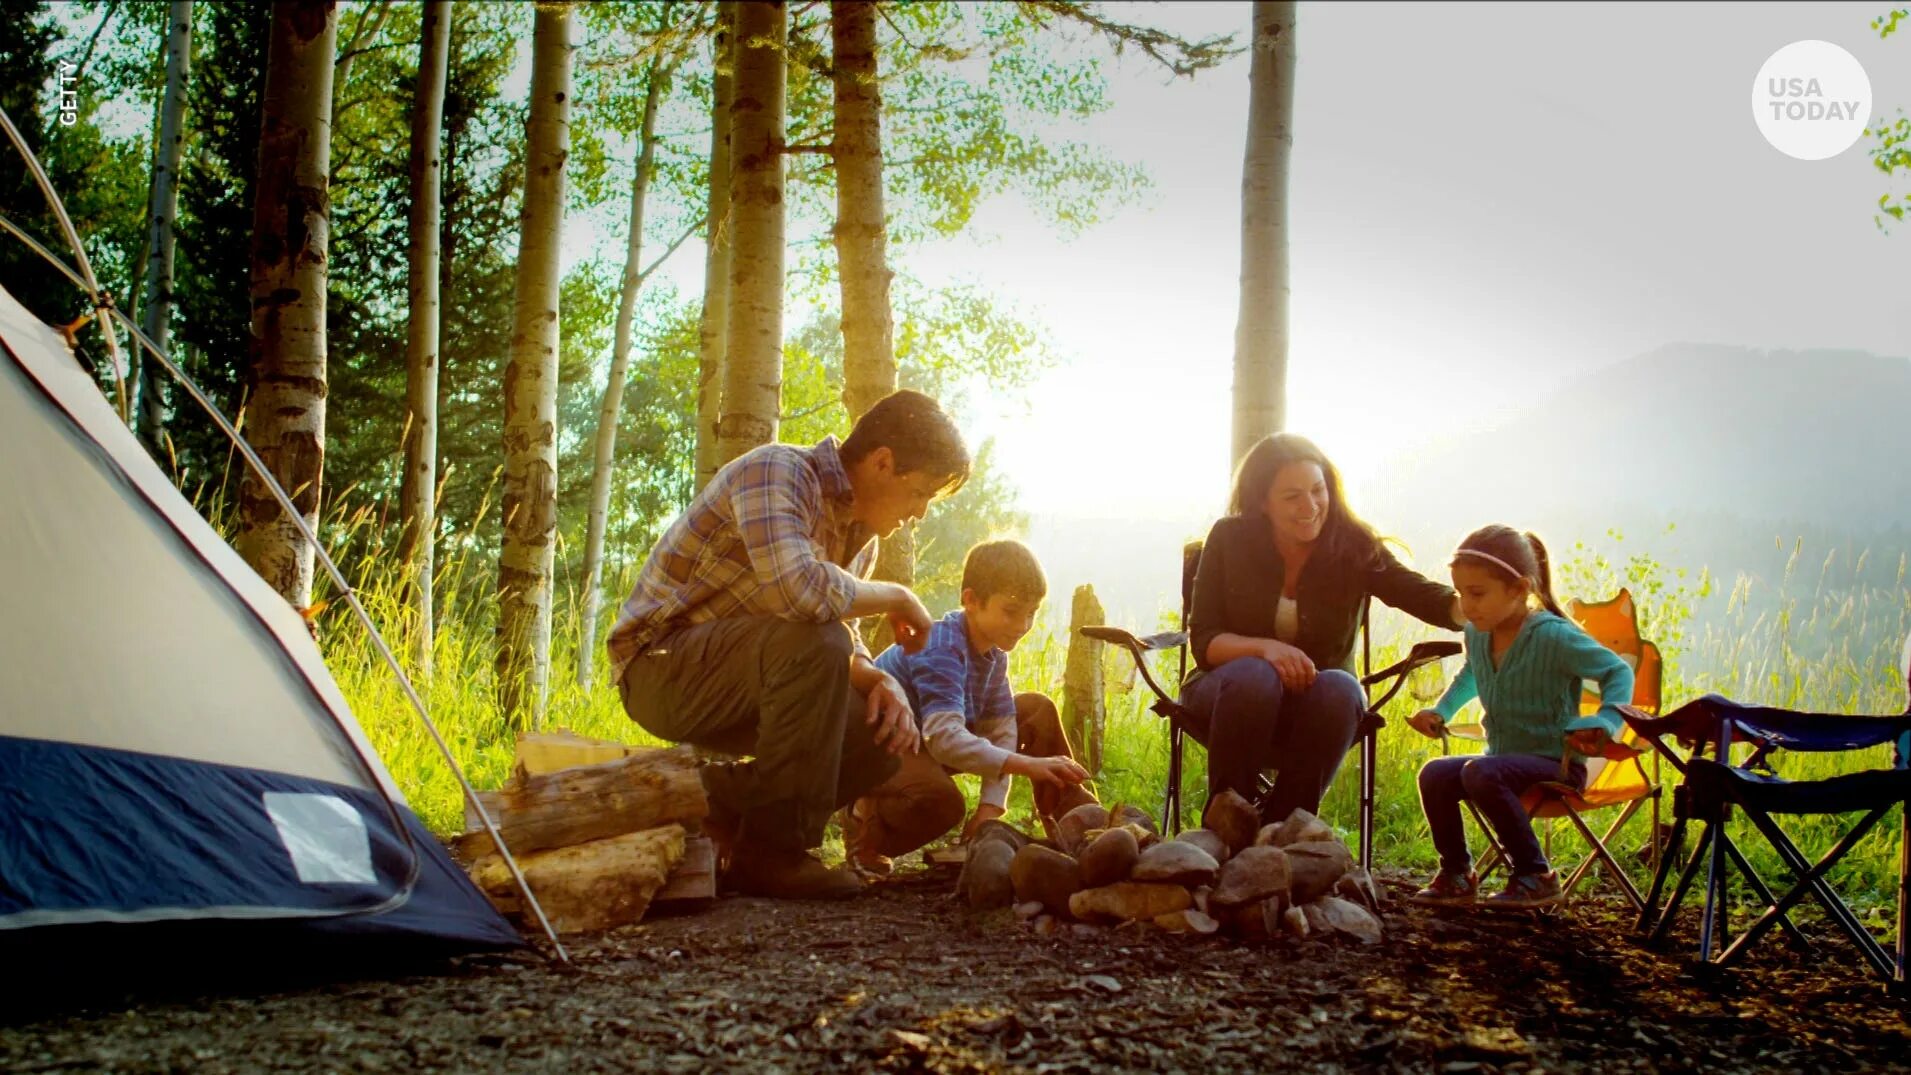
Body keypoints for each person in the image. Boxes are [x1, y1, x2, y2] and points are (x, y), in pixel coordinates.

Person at [608, 390, 969, 900]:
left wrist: (878, 678)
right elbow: (797, 593)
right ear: (883, 463)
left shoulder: (858, 535)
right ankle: (773, 853)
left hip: (749, 678)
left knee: (878, 732)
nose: (921, 512)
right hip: (660, 670)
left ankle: (711, 800)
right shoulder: (778, 471)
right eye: (921, 492)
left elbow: (842, 637)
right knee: (813, 638)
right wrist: (898, 595)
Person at [1181, 433, 1464, 824]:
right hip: (1227, 695)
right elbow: (1205, 640)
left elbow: (1414, 591)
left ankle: (1285, 827)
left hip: (1316, 707)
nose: (1310, 506)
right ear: (1262, 501)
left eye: (1318, 490)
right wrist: (1266, 650)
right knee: (1254, 674)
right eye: (1292, 496)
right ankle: (1228, 821)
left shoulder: (1352, 544)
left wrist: (1476, 608)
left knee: (1342, 686)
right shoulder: (1229, 538)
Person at [1405, 524, 1634, 910]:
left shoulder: (1553, 636)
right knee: (1435, 774)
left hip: (1556, 762)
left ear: (1519, 589)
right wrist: (1441, 711)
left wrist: (1607, 721)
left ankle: (1535, 875)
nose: (1467, 604)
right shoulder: (1478, 632)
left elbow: (1618, 672)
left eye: (1477, 594)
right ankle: (1457, 874)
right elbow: (1474, 674)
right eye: (1461, 593)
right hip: (1502, 758)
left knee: (1480, 771)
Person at [841, 540, 1096, 874]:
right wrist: (1027, 765)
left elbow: (1003, 729)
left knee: (1036, 710)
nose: (1022, 625)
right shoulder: (940, 646)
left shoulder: (993, 654)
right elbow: (945, 739)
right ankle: (863, 821)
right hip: (881, 742)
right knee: (943, 804)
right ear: (971, 601)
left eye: (1031, 613)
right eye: (1010, 611)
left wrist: (991, 808)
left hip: (928, 739)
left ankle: (1079, 828)